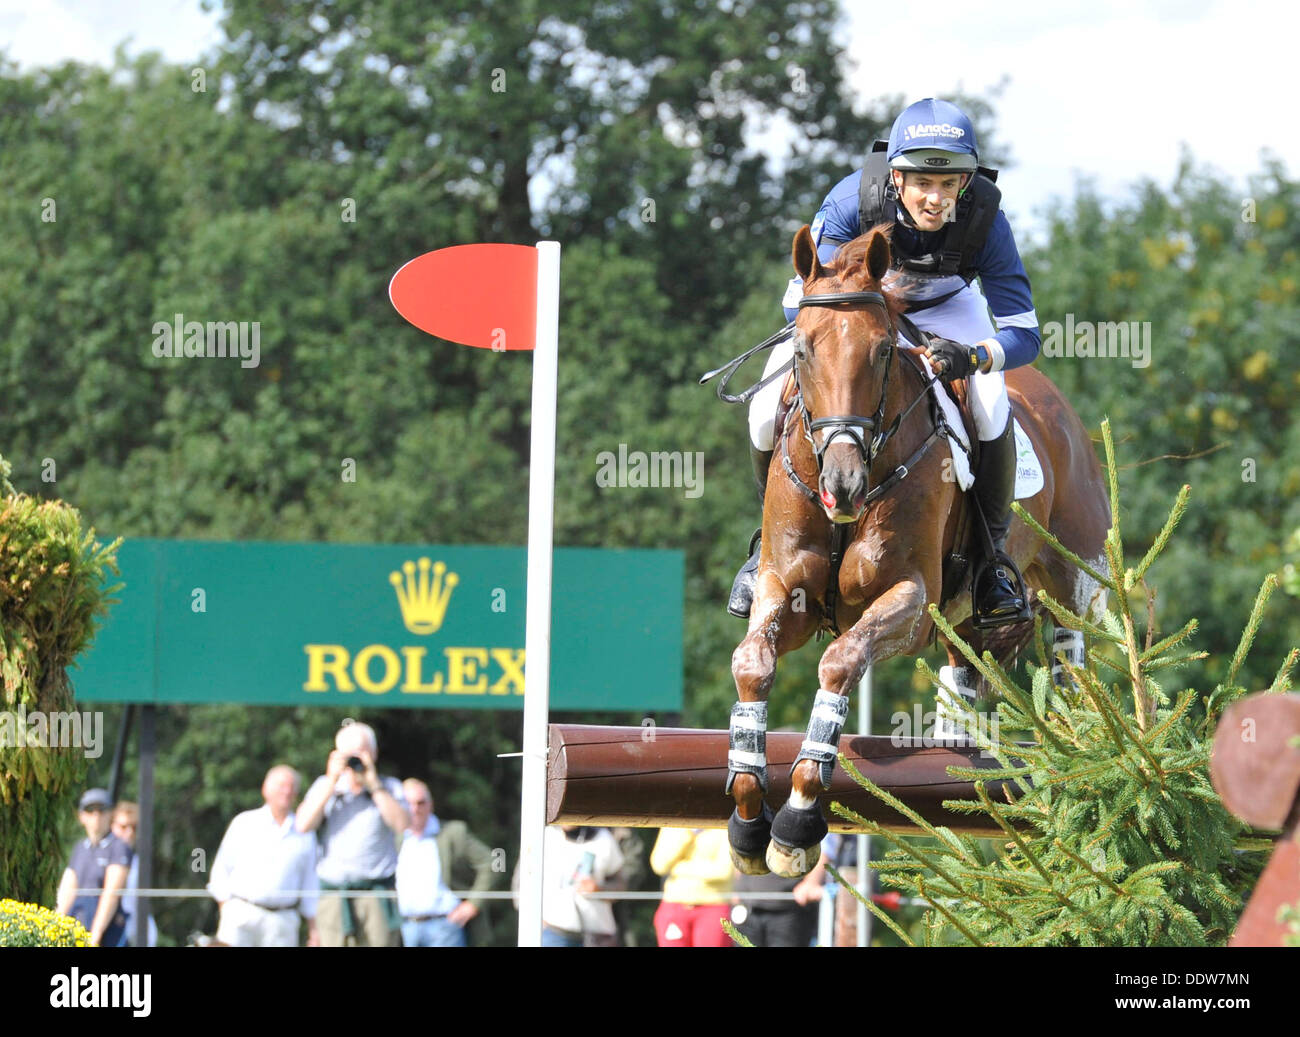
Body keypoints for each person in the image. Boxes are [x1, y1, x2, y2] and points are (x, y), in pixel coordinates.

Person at [730, 97, 1039, 629]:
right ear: (895, 177)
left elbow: (1024, 334)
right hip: (854, 314)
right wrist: (861, 324)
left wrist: (971, 357)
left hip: (950, 310)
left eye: (950, 184)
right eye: (923, 182)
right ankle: (765, 550)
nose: (937, 199)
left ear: (967, 182)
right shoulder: (850, 202)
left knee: (989, 406)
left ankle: (992, 564)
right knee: (762, 408)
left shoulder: (987, 221)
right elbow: (797, 300)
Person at [297, 721, 409, 946]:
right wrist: (332, 780)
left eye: (361, 752)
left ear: (374, 753)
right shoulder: (326, 786)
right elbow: (302, 824)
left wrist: (373, 784)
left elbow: (402, 824)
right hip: (335, 896)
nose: (354, 759)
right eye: (349, 754)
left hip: (376, 895)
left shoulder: (389, 786)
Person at [207, 765, 320, 947]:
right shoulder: (244, 822)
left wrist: (314, 930)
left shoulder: (305, 833)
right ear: (265, 789)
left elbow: (310, 882)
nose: (287, 791)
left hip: (282, 923)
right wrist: (226, 908)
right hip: (240, 916)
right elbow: (221, 869)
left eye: (291, 787)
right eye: (281, 786)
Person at [395, 778, 495, 947]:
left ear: (430, 804)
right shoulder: (394, 837)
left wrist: (473, 904)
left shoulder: (453, 832)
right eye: (408, 803)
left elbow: (494, 859)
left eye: (421, 803)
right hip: (405, 927)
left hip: (445, 927)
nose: (415, 809)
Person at [55, 788, 132, 947]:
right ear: (81, 816)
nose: (96, 816)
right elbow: (66, 891)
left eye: (102, 810)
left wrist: (95, 936)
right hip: (77, 925)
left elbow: (111, 894)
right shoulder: (80, 848)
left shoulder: (119, 847)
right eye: (90, 810)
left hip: (108, 933)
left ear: (110, 814)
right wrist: (55, 926)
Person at [530, 825, 624, 947]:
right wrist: (534, 918)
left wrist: (599, 890)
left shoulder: (604, 838)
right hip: (553, 932)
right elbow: (522, 884)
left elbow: (621, 884)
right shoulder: (545, 835)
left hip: (598, 935)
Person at [649, 827, 734, 947]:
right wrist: (687, 834)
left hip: (714, 907)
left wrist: (677, 868)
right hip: (674, 907)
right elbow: (659, 865)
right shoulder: (672, 825)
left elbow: (724, 871)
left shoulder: (722, 824)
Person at [111, 801, 158, 947]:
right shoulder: (101, 858)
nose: (130, 832)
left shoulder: (137, 863)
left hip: (129, 935)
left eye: (134, 827)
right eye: (123, 827)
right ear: (112, 826)